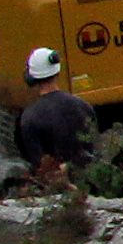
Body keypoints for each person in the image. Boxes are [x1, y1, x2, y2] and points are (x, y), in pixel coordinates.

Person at [14, 46, 96, 186]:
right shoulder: (84, 106)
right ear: (57, 71)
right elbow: (93, 147)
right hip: (89, 183)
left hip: (56, 188)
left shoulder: (29, 117)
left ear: (31, 77)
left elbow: (38, 163)